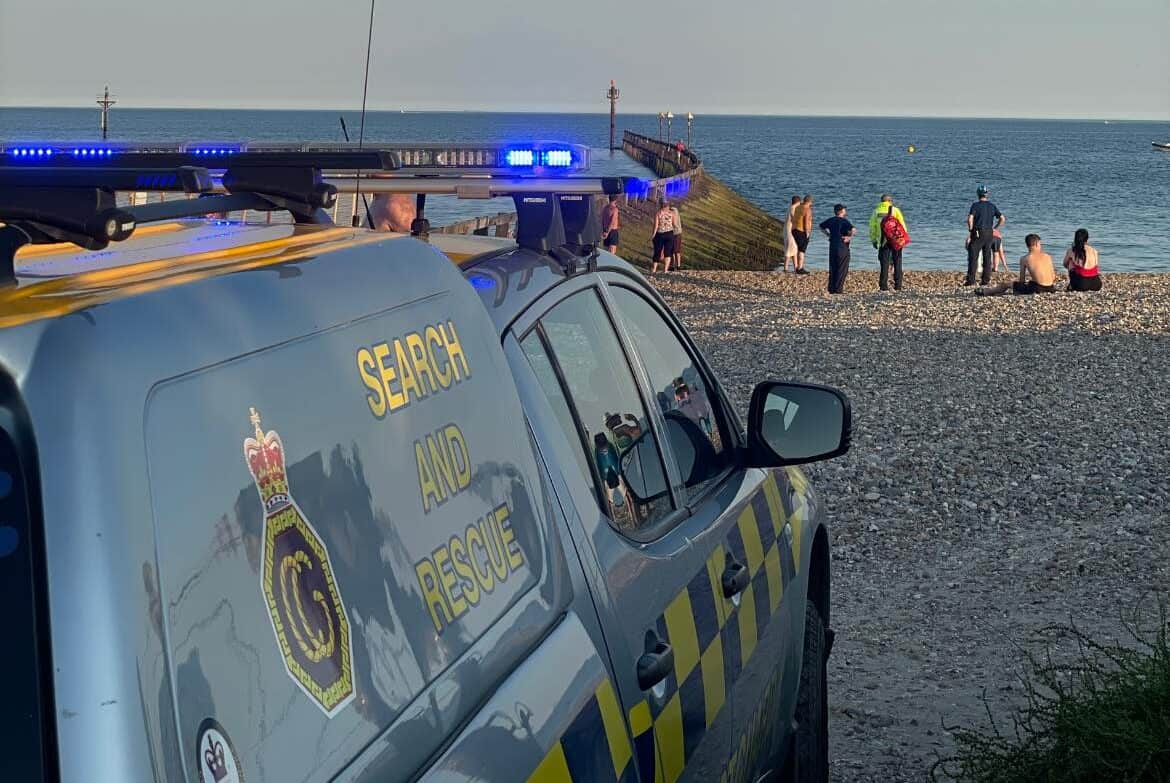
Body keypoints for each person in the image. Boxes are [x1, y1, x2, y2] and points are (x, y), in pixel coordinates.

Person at [965, 186, 1005, 286]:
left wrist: (971, 229)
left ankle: (971, 280)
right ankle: (985, 280)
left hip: (978, 232)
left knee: (973, 256)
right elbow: (1002, 218)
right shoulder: (992, 206)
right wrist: (995, 227)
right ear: (987, 194)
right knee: (987, 256)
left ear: (978, 194)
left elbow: (970, 219)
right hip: (989, 232)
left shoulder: (975, 205)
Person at [869, 194, 908, 291]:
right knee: (897, 262)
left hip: (883, 241)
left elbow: (872, 227)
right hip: (896, 240)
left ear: (881, 201)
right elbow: (902, 225)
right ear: (890, 201)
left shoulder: (876, 211)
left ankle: (883, 286)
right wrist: (904, 239)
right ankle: (898, 285)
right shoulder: (895, 210)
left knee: (884, 264)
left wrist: (874, 240)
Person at [819, 203, 855, 294]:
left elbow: (821, 226)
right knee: (842, 267)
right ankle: (838, 289)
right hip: (842, 245)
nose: (845, 211)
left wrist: (828, 234)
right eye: (844, 209)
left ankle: (831, 288)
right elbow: (853, 229)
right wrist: (849, 237)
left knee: (833, 266)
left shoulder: (831, 220)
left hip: (833, 245)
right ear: (841, 211)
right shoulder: (844, 221)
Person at [651, 198, 677, 273]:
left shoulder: (658, 213)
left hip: (660, 234)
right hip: (669, 233)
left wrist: (653, 235)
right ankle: (665, 269)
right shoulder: (672, 213)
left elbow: (655, 226)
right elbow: (674, 224)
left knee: (657, 251)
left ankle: (654, 269)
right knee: (668, 252)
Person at [793, 194, 813, 274]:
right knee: (802, 250)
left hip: (794, 230)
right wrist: (807, 232)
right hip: (802, 231)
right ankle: (800, 268)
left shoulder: (798, 207)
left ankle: (797, 267)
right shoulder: (807, 209)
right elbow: (806, 222)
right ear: (810, 202)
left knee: (798, 249)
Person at [782, 195, 800, 272]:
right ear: (798, 202)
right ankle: (785, 268)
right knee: (789, 249)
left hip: (788, 230)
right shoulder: (793, 208)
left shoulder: (790, 207)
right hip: (790, 231)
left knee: (794, 248)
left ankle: (796, 267)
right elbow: (795, 219)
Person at [670, 202, 684, 270]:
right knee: (673, 250)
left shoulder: (673, 211)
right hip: (674, 233)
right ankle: (674, 266)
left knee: (676, 250)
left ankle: (677, 266)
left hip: (676, 233)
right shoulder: (674, 210)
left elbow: (674, 223)